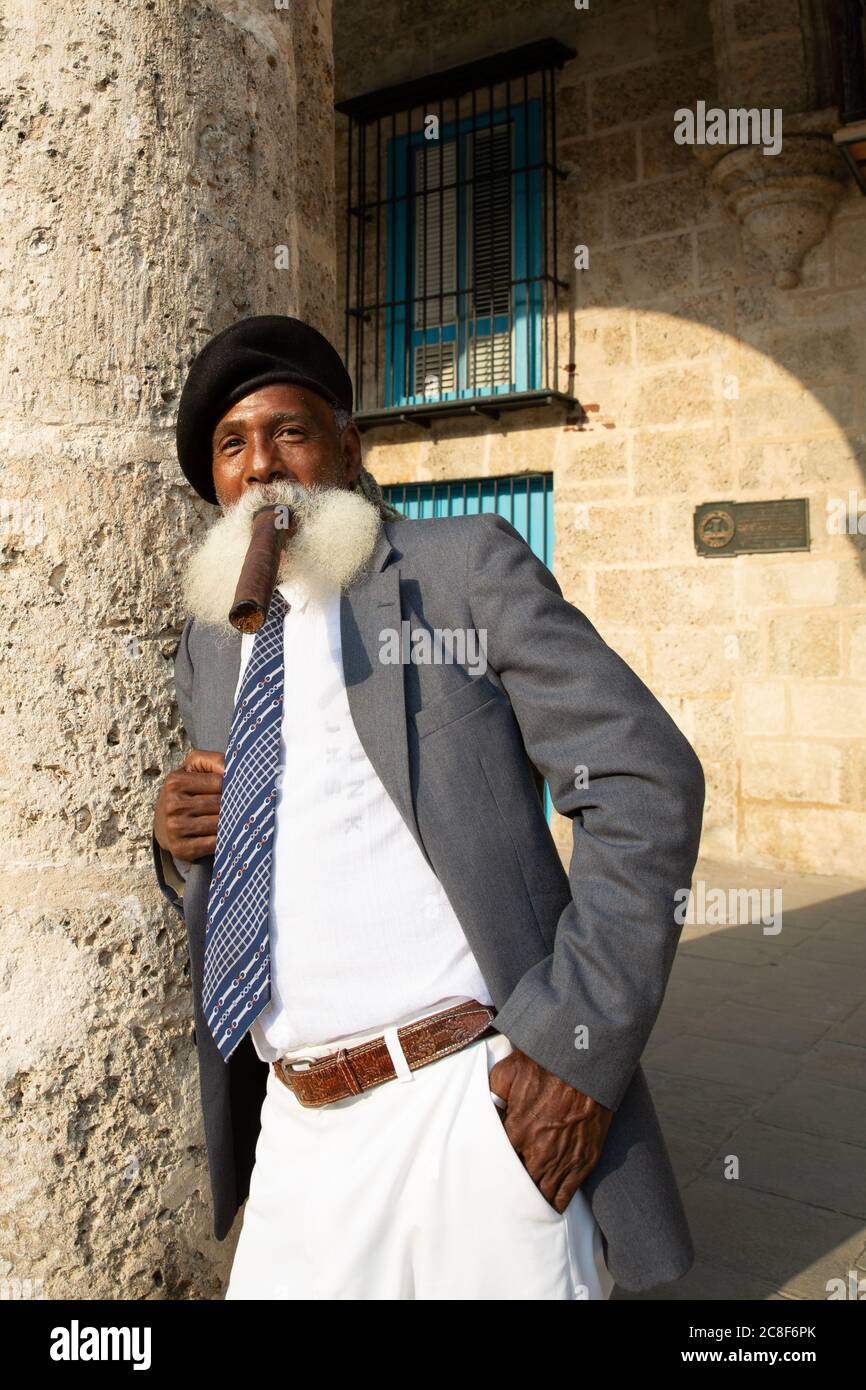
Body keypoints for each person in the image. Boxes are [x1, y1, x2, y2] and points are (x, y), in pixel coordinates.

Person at [152, 314, 705, 1299]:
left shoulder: (454, 570)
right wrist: (179, 842)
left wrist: (573, 1053)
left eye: (290, 430)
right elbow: (250, 864)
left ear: (347, 448)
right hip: (294, 1130)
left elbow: (641, 779)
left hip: (469, 1109)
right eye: (232, 445)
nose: (263, 465)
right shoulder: (209, 643)